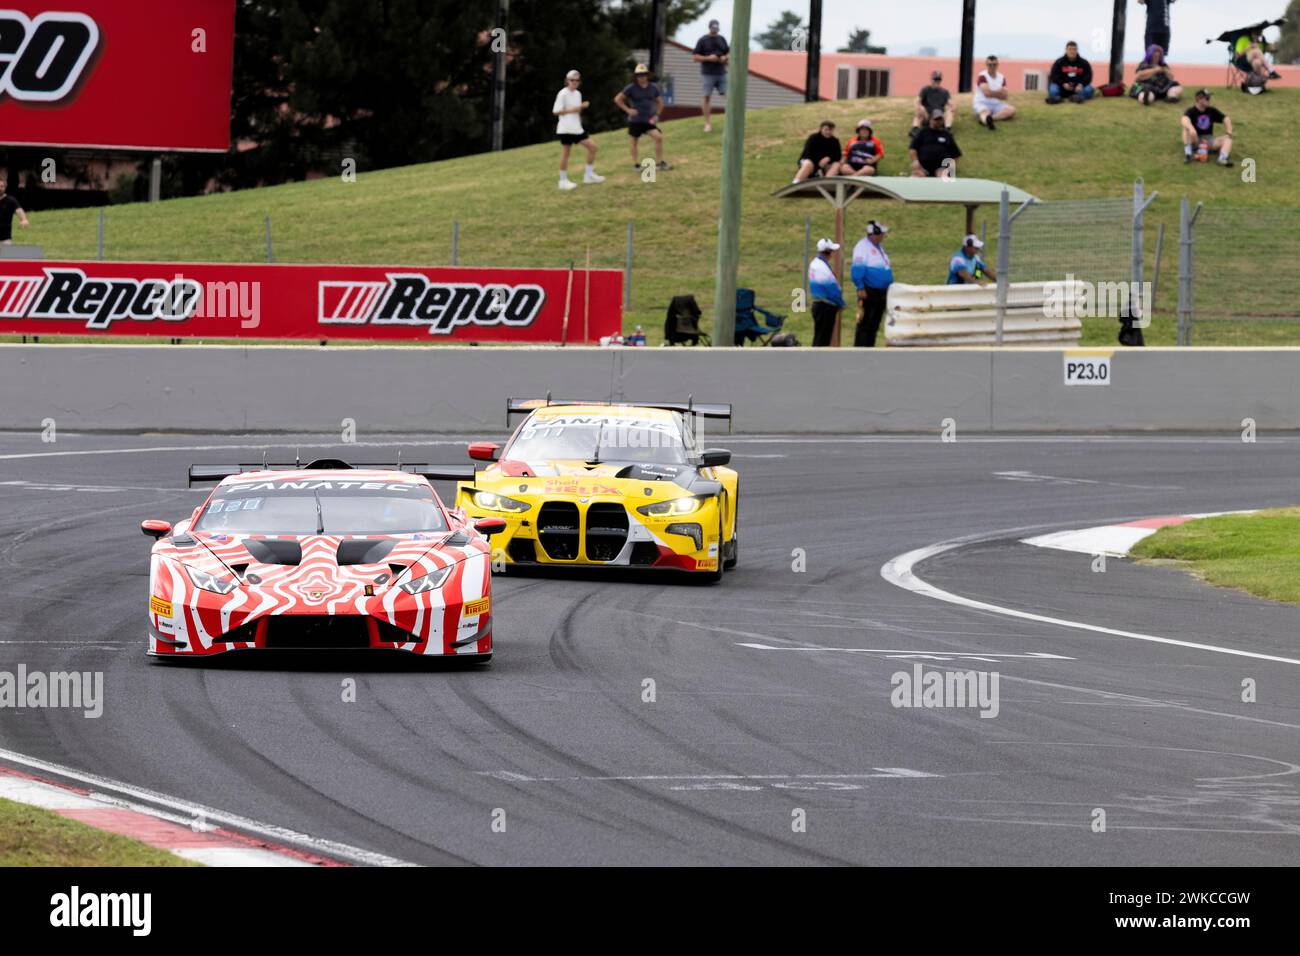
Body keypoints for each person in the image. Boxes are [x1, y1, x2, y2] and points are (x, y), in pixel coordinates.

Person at [614, 63, 672, 172]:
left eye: (644, 74)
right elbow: (618, 99)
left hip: (648, 119)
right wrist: (628, 110)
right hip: (635, 121)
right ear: (636, 76)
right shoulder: (631, 88)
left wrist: (656, 116)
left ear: (647, 75)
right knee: (634, 142)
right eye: (639, 75)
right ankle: (636, 164)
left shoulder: (653, 87)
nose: (642, 77)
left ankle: (659, 163)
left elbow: (660, 103)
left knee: (658, 137)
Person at [553, 70, 603, 191]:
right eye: (572, 80)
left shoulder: (578, 94)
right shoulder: (562, 94)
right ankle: (563, 181)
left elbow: (577, 111)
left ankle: (588, 175)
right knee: (566, 154)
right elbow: (556, 111)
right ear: (567, 81)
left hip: (576, 128)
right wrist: (577, 108)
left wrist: (580, 110)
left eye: (577, 80)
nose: (574, 82)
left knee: (593, 147)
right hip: (565, 129)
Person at [850, 220, 893, 348]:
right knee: (865, 322)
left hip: (881, 291)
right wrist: (860, 287)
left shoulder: (878, 247)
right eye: (882, 233)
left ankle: (869, 347)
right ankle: (860, 348)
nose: (884, 235)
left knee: (875, 322)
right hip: (869, 290)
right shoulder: (862, 247)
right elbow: (857, 269)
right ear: (875, 234)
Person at [693, 19, 729, 132]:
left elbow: (727, 52)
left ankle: (731, 121)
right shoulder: (703, 40)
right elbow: (695, 57)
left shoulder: (722, 39)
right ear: (709, 28)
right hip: (707, 73)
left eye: (716, 29)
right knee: (706, 97)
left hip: (721, 72)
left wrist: (725, 57)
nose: (715, 30)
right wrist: (708, 58)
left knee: (729, 96)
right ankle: (707, 124)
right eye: (713, 28)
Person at [808, 238, 845, 347]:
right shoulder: (822, 267)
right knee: (824, 338)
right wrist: (841, 303)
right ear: (828, 252)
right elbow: (832, 289)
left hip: (818, 304)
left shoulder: (815, 264)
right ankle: (819, 361)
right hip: (826, 306)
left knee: (819, 336)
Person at [1181, 89, 1234, 167]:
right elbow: (1184, 119)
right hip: (1195, 140)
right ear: (1199, 99)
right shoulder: (1191, 111)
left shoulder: (1211, 110)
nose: (1209, 100)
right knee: (1186, 129)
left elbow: (1226, 118)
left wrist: (1229, 132)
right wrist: (1191, 128)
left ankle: (1222, 159)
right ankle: (1188, 154)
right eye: (1207, 98)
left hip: (1209, 141)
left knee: (1228, 139)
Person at [909, 110, 961, 178]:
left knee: (943, 179)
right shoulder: (923, 132)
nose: (938, 121)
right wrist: (915, 162)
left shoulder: (947, 134)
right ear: (930, 120)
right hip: (923, 167)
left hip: (941, 167)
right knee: (916, 177)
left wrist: (950, 169)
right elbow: (913, 149)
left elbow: (956, 154)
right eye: (936, 119)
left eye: (940, 119)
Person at [973, 55, 1016, 129]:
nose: (992, 66)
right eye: (990, 65)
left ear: (997, 65)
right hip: (982, 103)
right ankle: (986, 120)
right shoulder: (982, 76)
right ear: (986, 65)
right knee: (984, 112)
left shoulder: (1001, 77)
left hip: (996, 104)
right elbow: (986, 93)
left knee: (1011, 110)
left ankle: (990, 119)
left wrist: (992, 92)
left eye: (994, 64)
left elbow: (1005, 96)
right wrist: (999, 92)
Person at [0, 178, 29, 245]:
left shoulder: (10, 200)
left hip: (5, 239)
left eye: (2, 186)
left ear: (4, 187)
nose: (0, 188)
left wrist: (23, 219)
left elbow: (19, 210)